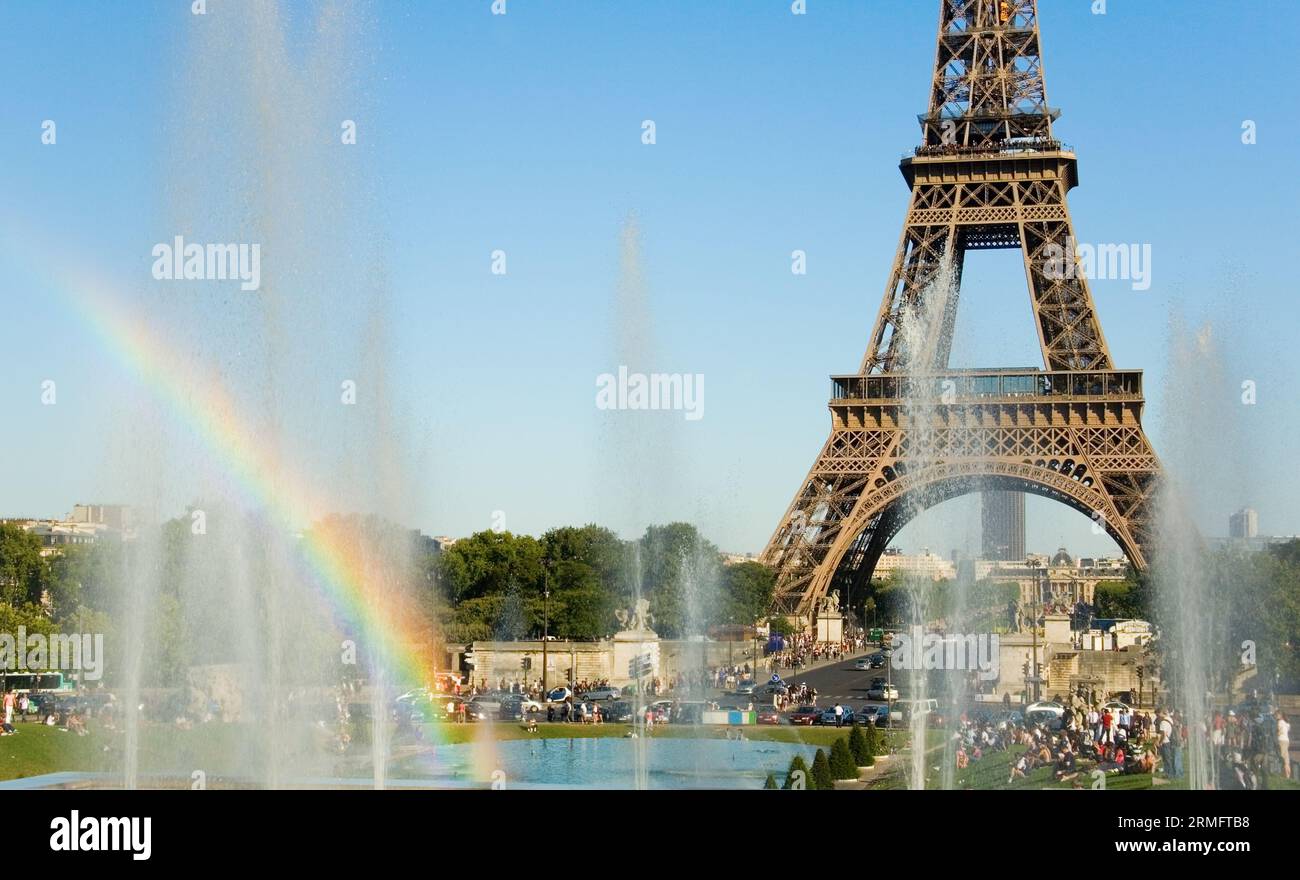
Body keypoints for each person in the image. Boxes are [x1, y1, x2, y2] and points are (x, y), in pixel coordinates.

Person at [1276, 711, 1291, 780]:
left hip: (1281, 740)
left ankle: (1279, 774)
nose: (1276, 716)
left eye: (1277, 715)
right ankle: (1287, 776)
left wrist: (1275, 735)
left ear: (1281, 715)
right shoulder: (1287, 723)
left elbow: (1280, 731)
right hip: (1287, 741)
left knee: (1280, 757)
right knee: (1286, 759)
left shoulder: (1279, 722)